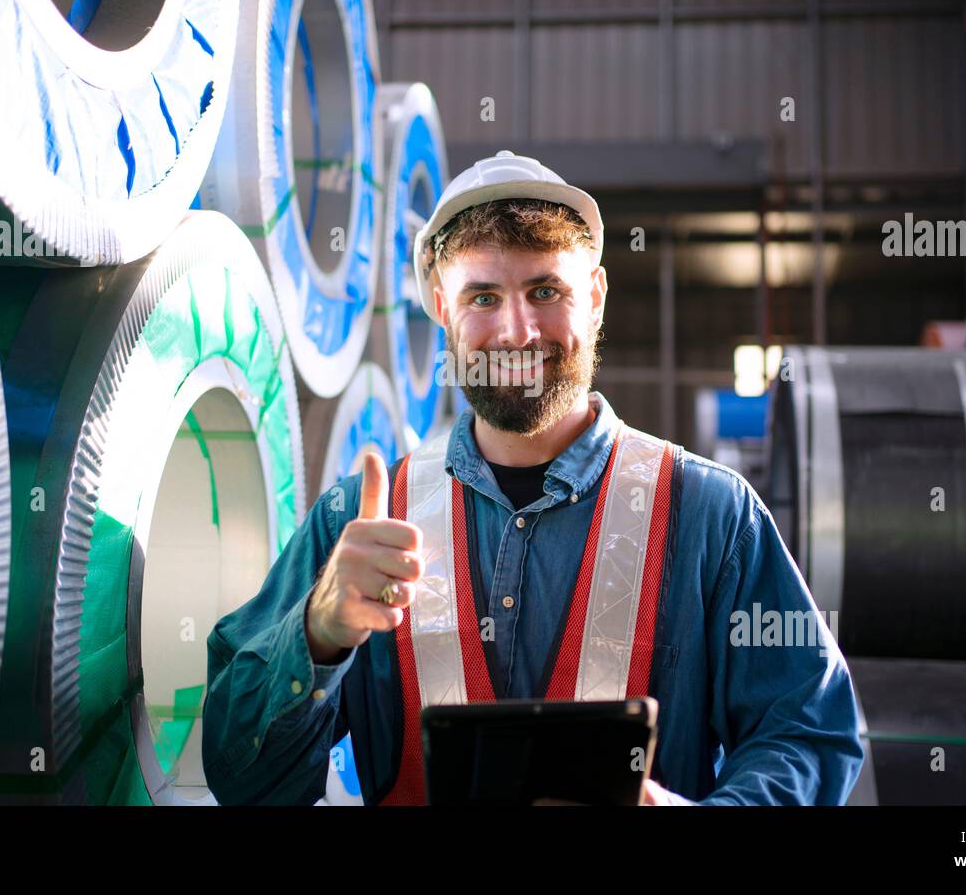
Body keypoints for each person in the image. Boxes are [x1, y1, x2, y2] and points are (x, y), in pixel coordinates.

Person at [203, 150, 864, 805]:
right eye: (482, 296)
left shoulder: (711, 517)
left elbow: (810, 735)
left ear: (597, 298)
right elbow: (243, 781)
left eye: (545, 291)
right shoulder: (361, 526)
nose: (516, 331)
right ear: (440, 307)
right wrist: (317, 636)